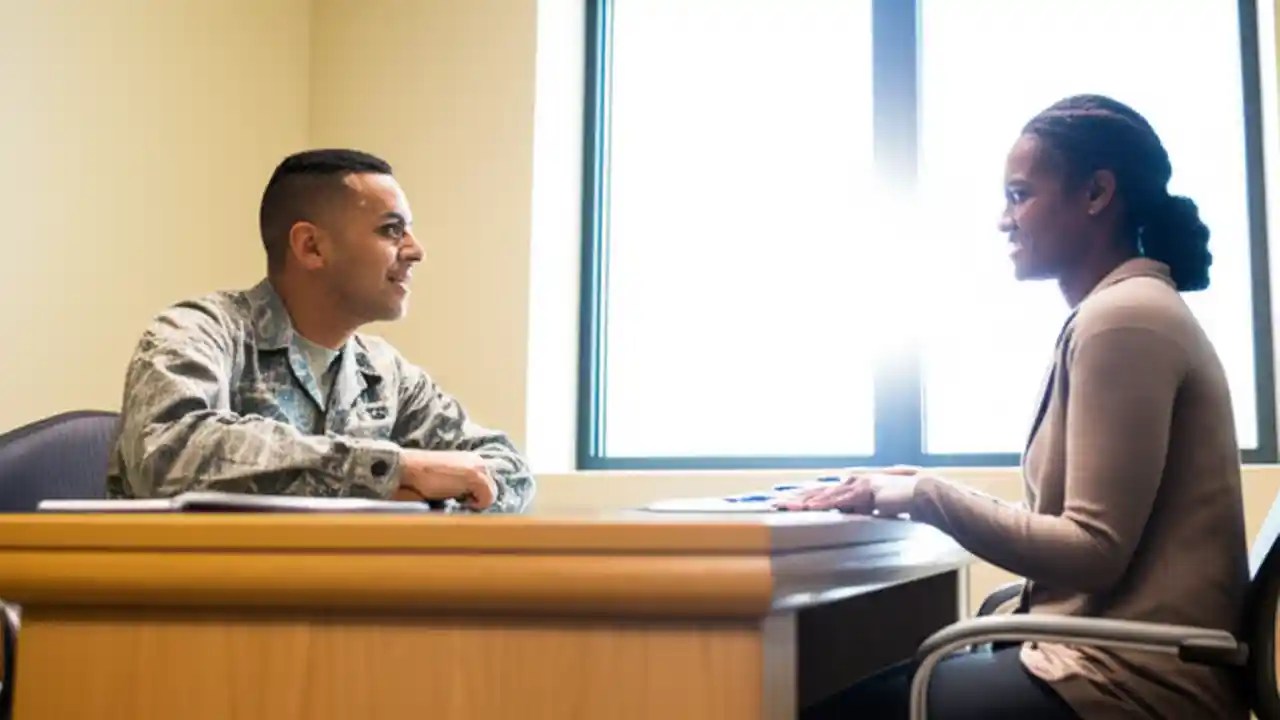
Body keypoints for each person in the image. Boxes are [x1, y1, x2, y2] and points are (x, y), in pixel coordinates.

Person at [785, 95, 1248, 719]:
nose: (1005, 220)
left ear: (1095, 194)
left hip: (1131, 685)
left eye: (1019, 195)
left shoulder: (1125, 321)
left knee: (824, 708)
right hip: (1105, 660)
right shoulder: (1121, 312)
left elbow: (1092, 550)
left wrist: (925, 495)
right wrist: (917, 486)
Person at [106, 149, 535, 513]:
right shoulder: (199, 333)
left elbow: (507, 468)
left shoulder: (385, 373)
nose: (415, 250)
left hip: (339, 599)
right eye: (391, 230)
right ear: (311, 246)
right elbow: (167, 455)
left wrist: (419, 494)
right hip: (198, 603)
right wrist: (392, 471)